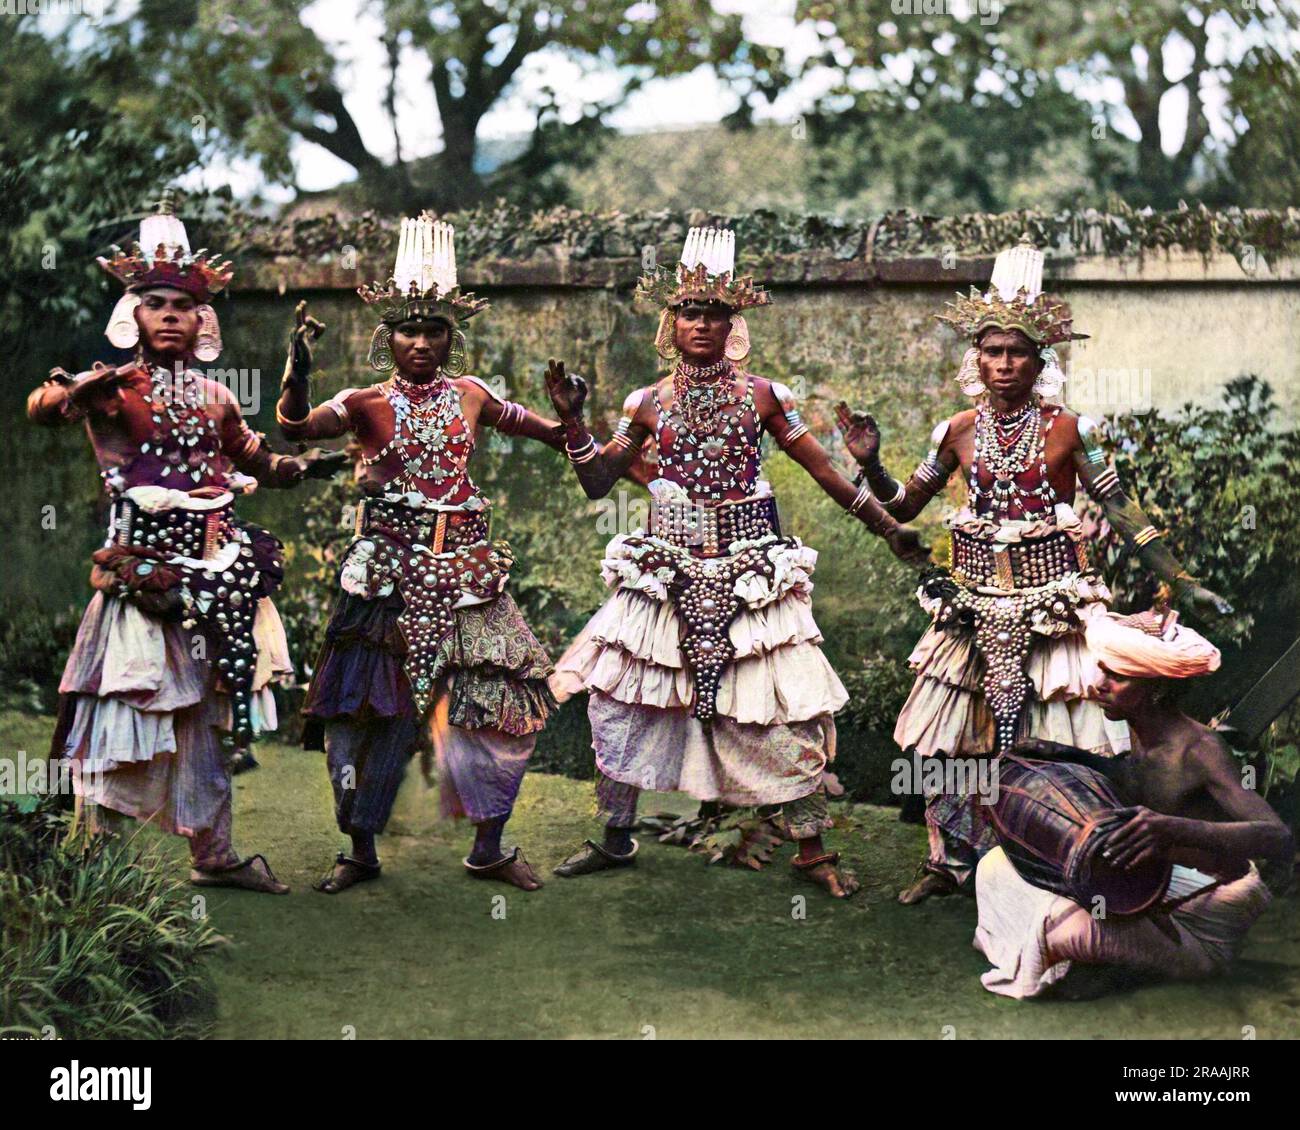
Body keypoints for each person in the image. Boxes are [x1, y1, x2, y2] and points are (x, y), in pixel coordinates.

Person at [837, 236, 1233, 905]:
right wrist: (871, 463)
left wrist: (1181, 579)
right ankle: (950, 861)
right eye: (991, 351)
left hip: (1055, 607)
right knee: (953, 740)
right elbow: (904, 502)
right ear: (976, 357)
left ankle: (1046, 858)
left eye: (1017, 351)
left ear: (1039, 358)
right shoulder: (957, 429)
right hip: (971, 605)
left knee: (1058, 739)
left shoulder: (1070, 430)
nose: (1003, 364)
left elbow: (1119, 507)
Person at [546, 225, 928, 898]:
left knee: (783, 709)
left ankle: (810, 849)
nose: (702, 323)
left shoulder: (764, 396)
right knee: (622, 700)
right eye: (690, 311)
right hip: (663, 569)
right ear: (673, 321)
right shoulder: (645, 401)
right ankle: (614, 835)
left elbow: (826, 473)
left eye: (715, 312)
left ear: (733, 322)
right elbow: (599, 481)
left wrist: (889, 526)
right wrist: (573, 422)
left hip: (754, 571)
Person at [29, 198, 345, 893]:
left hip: (215, 571)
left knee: (207, 708)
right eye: (156, 303)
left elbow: (256, 457)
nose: (171, 315)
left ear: (203, 319)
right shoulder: (112, 389)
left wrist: (306, 467)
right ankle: (91, 864)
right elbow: (44, 407)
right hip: (142, 573)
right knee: (126, 704)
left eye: (183, 305)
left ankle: (216, 855)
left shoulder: (214, 395)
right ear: (133, 315)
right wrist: (73, 393)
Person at [278, 214, 569, 893]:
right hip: (383, 576)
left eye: (434, 329)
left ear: (451, 337)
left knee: (500, 706)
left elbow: (555, 436)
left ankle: (489, 846)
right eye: (408, 329)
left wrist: (575, 418)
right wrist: (297, 371)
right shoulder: (363, 401)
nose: (421, 342)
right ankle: (360, 848)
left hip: (468, 572)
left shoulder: (473, 396)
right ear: (388, 337)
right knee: (358, 715)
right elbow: (293, 429)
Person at [973, 609, 1291, 999]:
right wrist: (1063, 754)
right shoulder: (1141, 733)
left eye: (1117, 677)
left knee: (1065, 929)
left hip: (1211, 906)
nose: (1099, 684)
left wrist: (1172, 828)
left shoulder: (1201, 750)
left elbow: (1277, 837)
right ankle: (1127, 951)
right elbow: (1132, 775)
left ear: (1155, 689)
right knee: (996, 868)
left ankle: (1178, 959)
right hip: (1160, 885)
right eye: (1102, 669)